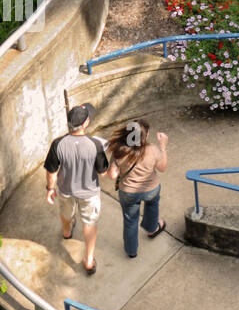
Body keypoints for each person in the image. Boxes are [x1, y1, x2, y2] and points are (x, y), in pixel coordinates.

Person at [44, 103, 111, 276]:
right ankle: (88, 261)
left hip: (65, 190)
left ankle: (67, 232)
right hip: (89, 193)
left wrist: (50, 189)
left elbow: (51, 172)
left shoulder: (57, 144)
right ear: (85, 123)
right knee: (89, 223)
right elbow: (103, 173)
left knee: (66, 213)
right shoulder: (95, 145)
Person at [106, 120, 169, 259]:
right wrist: (163, 147)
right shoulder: (152, 149)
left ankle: (131, 251)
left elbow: (112, 175)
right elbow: (162, 168)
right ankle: (151, 229)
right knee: (152, 206)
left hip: (128, 192)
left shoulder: (119, 151)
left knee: (130, 220)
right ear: (145, 135)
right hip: (151, 190)